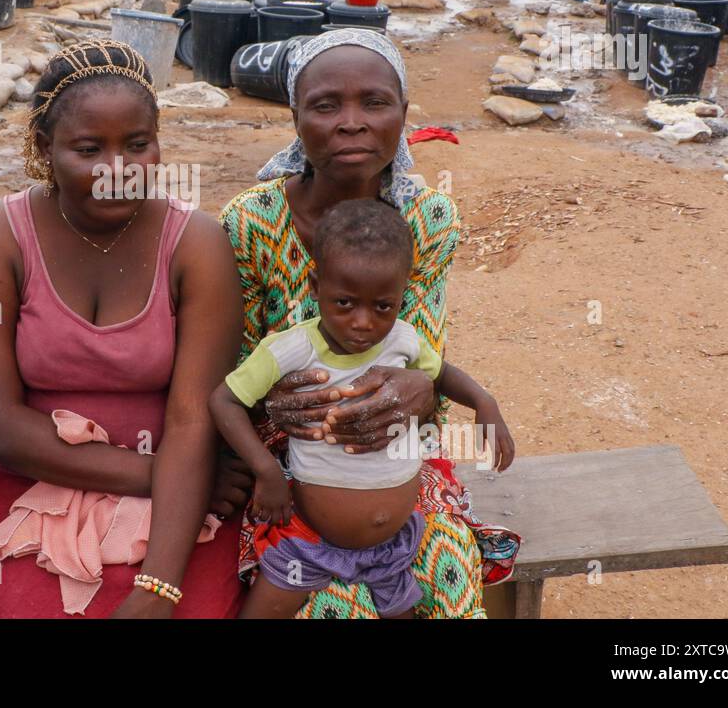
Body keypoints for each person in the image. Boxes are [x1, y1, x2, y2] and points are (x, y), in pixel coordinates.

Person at [219, 29, 522, 619]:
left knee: (447, 577)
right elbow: (230, 370)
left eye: (375, 103)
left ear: (404, 116)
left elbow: (422, 366)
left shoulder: (428, 218)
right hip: (285, 467)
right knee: (334, 605)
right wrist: (278, 413)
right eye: (326, 104)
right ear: (296, 118)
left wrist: (423, 390)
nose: (351, 122)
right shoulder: (251, 224)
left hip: (398, 454)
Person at [0, 40, 245, 619]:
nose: (118, 172)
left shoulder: (196, 245)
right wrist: (167, 478)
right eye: (89, 149)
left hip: (180, 505)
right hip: (37, 491)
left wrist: (159, 585)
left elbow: (192, 418)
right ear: (45, 148)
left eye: (138, 145)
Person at [212, 198, 514, 618]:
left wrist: (485, 402)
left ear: (400, 297)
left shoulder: (403, 342)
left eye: (382, 306)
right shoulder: (292, 350)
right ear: (316, 288)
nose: (363, 323)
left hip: (392, 548)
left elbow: (443, 374)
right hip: (310, 542)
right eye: (345, 303)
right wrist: (266, 470)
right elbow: (224, 400)